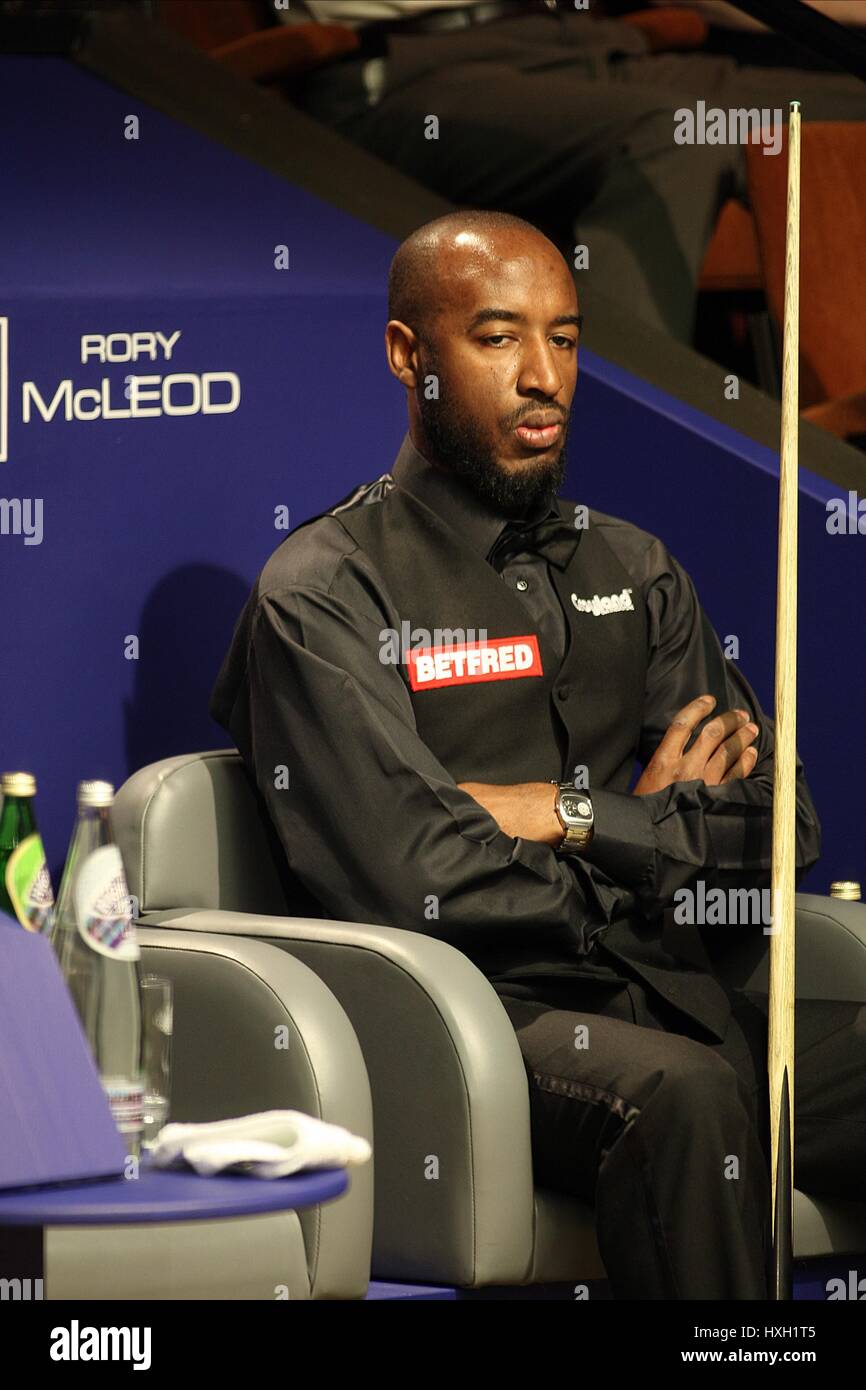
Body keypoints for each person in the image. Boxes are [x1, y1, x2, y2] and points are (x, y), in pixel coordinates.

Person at [209, 210, 865, 1300]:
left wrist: (571, 815)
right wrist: (652, 844)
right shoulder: (323, 592)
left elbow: (780, 821)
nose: (543, 377)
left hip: (676, 988)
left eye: (563, 338)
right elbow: (417, 876)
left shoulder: (635, 568)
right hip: (478, 1020)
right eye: (497, 337)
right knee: (688, 1096)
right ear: (407, 354)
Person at [281, 0, 866, 344]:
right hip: (413, 67)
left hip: (578, 40)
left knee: (848, 105)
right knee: (677, 132)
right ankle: (616, 446)